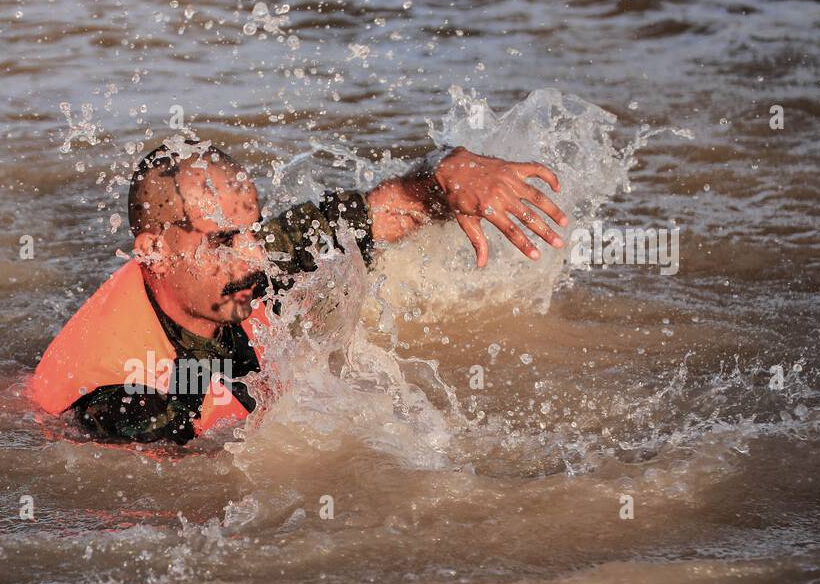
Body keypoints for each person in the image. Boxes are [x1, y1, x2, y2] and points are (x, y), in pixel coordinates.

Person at [28, 137, 567, 444]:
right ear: (155, 250)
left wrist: (448, 177)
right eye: (221, 241)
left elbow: (386, 209)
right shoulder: (114, 397)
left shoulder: (244, 256)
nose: (252, 257)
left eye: (253, 231)